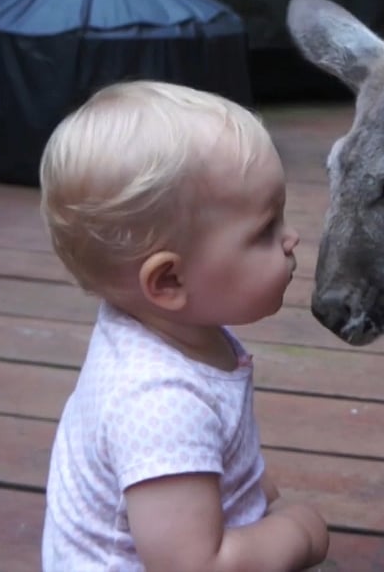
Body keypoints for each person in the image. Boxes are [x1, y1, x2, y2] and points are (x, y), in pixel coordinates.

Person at [38, 80, 330, 571]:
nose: (291, 238)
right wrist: (299, 534)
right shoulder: (159, 401)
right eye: (265, 229)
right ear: (169, 280)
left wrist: (249, 488)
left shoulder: (171, 328)